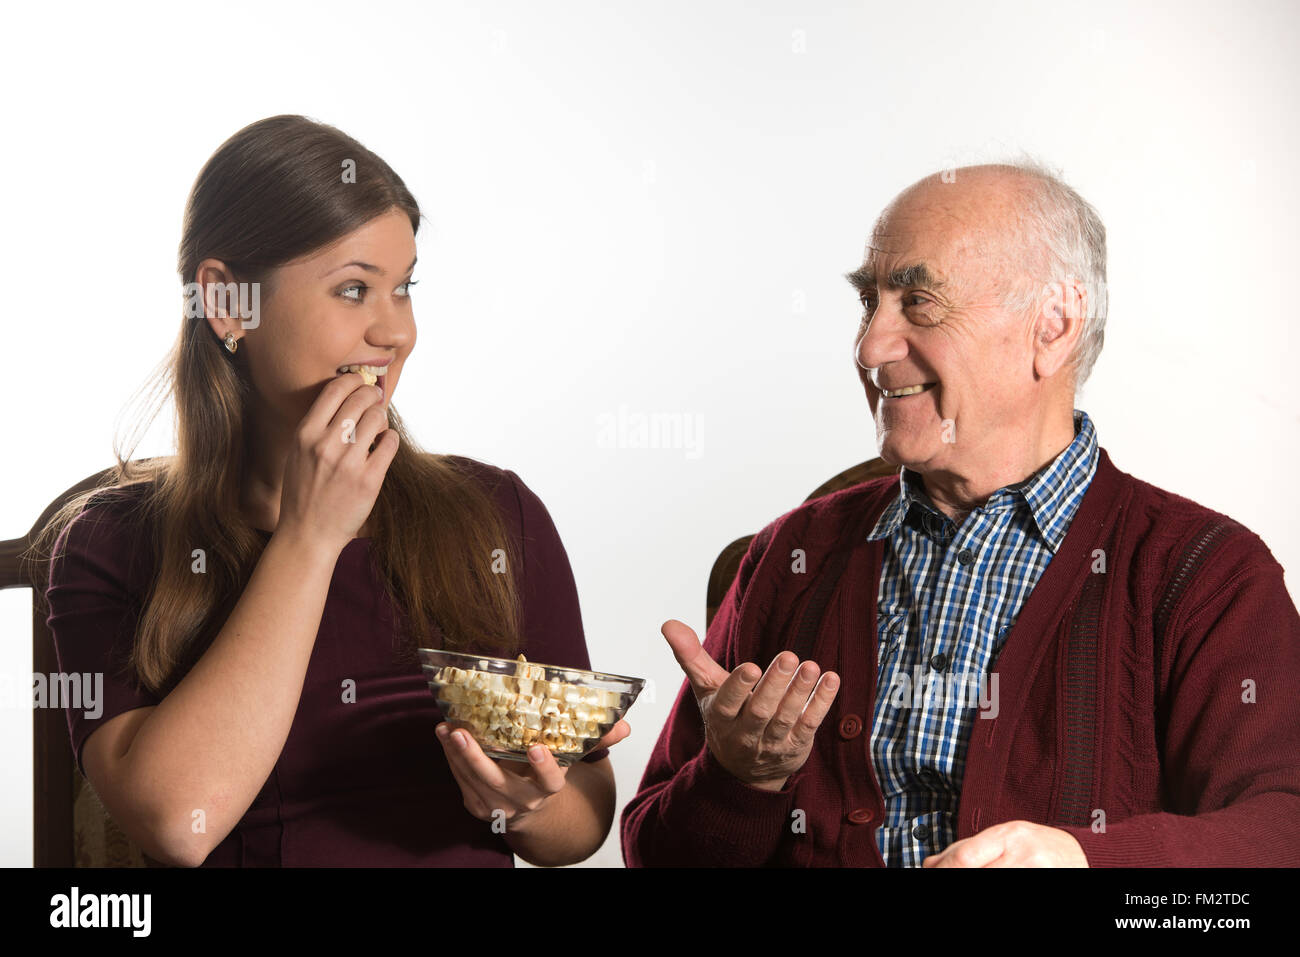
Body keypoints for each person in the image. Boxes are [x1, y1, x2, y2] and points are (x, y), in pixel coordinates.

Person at [621, 160, 1300, 867]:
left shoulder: (1207, 574)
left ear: (1054, 325)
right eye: (869, 303)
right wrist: (739, 780)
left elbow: (1283, 831)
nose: (870, 348)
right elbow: (652, 853)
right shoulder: (793, 552)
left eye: (918, 301)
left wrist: (1083, 860)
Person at [35, 114, 628, 867]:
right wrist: (310, 538)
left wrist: (526, 802)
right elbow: (178, 824)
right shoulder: (108, 545)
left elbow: (581, 824)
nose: (396, 332)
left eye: (404, 288)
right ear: (228, 304)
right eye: (354, 289)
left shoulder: (495, 515)